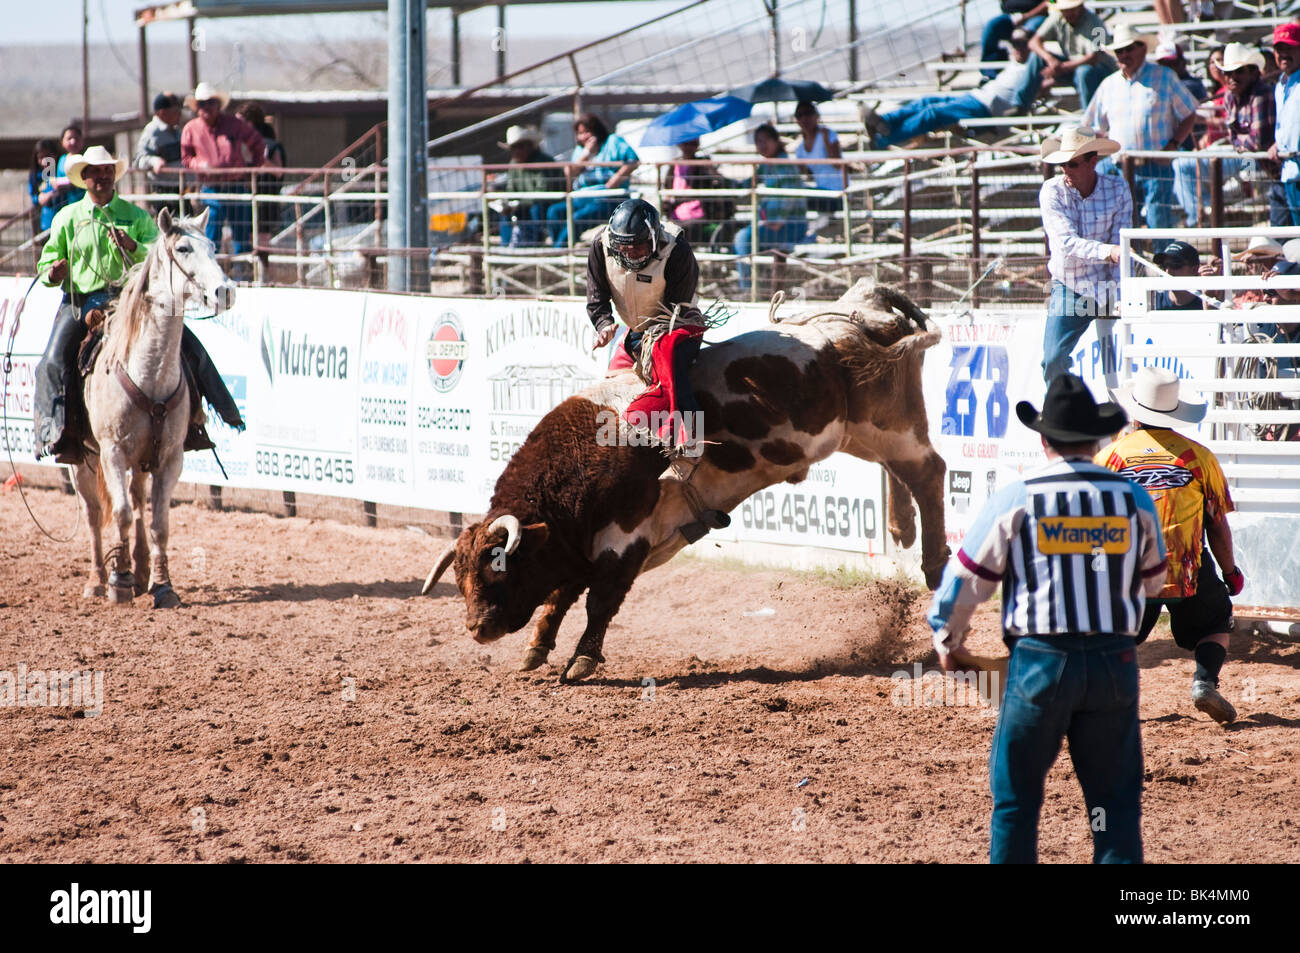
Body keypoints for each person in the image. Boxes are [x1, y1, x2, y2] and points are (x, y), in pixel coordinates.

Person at [928, 373, 1166, 863]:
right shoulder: (1133, 498)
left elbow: (968, 579)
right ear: (1098, 440)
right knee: (1113, 806)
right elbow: (1153, 582)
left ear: (1044, 439)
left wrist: (948, 641)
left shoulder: (1018, 496)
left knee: (1017, 802)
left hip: (1040, 663)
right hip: (1113, 662)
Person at [32, 146, 244, 465]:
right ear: (85, 177)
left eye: (107, 171)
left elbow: (160, 255)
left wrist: (134, 247)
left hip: (130, 300)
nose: (102, 177)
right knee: (52, 359)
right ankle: (56, 432)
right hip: (81, 301)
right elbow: (46, 261)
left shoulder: (136, 217)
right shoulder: (67, 218)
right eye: (95, 171)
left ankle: (208, 419)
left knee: (189, 346)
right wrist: (53, 271)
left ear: (113, 177)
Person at [1098, 366, 1245, 724]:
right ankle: (1204, 683)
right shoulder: (1200, 457)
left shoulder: (1111, 457)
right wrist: (1230, 572)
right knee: (1216, 623)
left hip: (1129, 573)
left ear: (1135, 412)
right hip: (1187, 568)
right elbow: (1217, 525)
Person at [586, 198, 705, 447]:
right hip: (635, 332)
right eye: (623, 248)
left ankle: (691, 437)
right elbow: (596, 300)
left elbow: (676, 307)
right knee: (610, 392)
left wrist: (647, 344)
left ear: (653, 238)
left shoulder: (676, 249)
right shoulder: (600, 245)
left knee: (671, 367)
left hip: (677, 325)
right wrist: (604, 324)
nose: (630, 254)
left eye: (638, 248)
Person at [1083, 24, 1199, 229]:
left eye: (1130, 48)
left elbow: (1189, 114)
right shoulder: (1108, 85)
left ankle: (1163, 261)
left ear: (1143, 49)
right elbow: (1092, 126)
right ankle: (1131, 261)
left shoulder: (1164, 76)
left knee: (1157, 223)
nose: (1124, 54)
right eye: (1120, 50)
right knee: (1123, 225)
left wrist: (1173, 145)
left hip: (1156, 164)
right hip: (1120, 166)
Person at [1038, 126, 1131, 382]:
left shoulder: (1118, 188)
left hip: (1108, 285)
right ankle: (1060, 417)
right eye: (1063, 165)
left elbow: (1120, 243)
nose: (1066, 170)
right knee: (1053, 359)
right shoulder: (1052, 191)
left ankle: (1124, 413)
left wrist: (1120, 293)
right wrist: (1109, 252)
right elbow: (1067, 243)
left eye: (1072, 163)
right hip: (1071, 286)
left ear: (1093, 161)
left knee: (1122, 363)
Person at [861, 30, 1038, 149]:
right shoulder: (1015, 63)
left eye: (1022, 44)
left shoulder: (1033, 67)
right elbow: (997, 28)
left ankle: (883, 138)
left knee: (932, 113)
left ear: (1032, 45)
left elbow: (1035, 90)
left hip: (985, 109)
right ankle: (882, 121)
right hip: (976, 98)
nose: (1017, 48)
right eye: (1015, 44)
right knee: (927, 100)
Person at [1172, 43, 1275, 227]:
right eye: (1228, 73)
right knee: (1182, 164)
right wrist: (1242, 140)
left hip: (1262, 163)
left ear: (1252, 72)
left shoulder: (1261, 95)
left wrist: (1240, 140)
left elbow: (1256, 141)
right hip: (1245, 158)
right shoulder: (1230, 96)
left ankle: (1202, 218)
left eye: (1238, 71)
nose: (1232, 77)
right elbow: (1236, 137)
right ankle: (1203, 216)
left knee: (1184, 164)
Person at [180, 81, 266, 257]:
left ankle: (244, 275)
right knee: (211, 232)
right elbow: (186, 158)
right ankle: (213, 272)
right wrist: (200, 165)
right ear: (196, 107)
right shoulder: (191, 129)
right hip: (210, 186)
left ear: (218, 105)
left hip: (235, 184)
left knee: (241, 233)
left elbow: (258, 144)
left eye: (211, 103)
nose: (207, 108)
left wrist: (251, 168)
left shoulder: (234, 125)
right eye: (202, 104)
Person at [546, 113, 638, 246]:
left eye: (587, 132)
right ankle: (560, 247)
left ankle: (559, 250)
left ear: (596, 131)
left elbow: (633, 161)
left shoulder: (613, 141)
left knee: (578, 218)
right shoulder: (580, 150)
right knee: (554, 211)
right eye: (580, 133)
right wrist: (586, 154)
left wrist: (615, 181)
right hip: (583, 196)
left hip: (609, 197)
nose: (583, 136)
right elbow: (569, 173)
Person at [734, 123, 806, 293]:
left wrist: (775, 221)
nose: (762, 144)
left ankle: (749, 291)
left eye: (766, 140)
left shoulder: (784, 165)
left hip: (789, 225)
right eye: (758, 141)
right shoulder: (766, 166)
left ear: (776, 141)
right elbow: (744, 185)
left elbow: (788, 197)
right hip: (773, 223)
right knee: (741, 238)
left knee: (743, 238)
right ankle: (754, 288)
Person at [1022, 0, 1114, 110]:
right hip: (1073, 68)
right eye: (1066, 10)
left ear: (1081, 7)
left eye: (1072, 9)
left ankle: (1089, 117)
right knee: (1036, 57)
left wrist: (1062, 67)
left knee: (1084, 71)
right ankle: (1020, 106)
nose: (1069, 13)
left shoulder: (1096, 23)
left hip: (1099, 70)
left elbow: (1095, 57)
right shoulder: (1057, 17)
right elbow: (1033, 42)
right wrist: (1051, 60)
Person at [494, 125, 563, 247]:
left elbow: (543, 191)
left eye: (519, 147)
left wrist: (519, 203)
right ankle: (505, 247)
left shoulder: (543, 162)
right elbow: (510, 190)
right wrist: (508, 203)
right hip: (524, 205)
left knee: (536, 209)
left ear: (530, 146)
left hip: (548, 203)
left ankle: (536, 243)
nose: (516, 151)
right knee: (505, 214)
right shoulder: (514, 165)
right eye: (513, 148)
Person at [793, 99, 845, 234]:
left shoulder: (828, 135)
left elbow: (837, 164)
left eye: (808, 113)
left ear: (816, 116)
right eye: (800, 115)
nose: (804, 118)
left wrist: (826, 140)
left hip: (838, 194)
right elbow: (805, 174)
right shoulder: (800, 149)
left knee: (794, 196)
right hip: (821, 194)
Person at [236, 102, 286, 238]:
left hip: (264, 202)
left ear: (250, 123)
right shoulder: (238, 144)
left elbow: (279, 171)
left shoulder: (268, 145)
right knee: (244, 241)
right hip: (244, 199)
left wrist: (261, 161)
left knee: (261, 243)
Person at [1269, 23, 1300, 225]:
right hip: (1289, 172)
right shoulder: (1280, 85)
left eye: (1290, 48)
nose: (1284, 54)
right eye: (1280, 49)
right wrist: (1277, 143)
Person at [133, 91, 184, 211]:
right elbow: (137, 160)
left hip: (180, 188)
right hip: (163, 191)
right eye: (175, 111)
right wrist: (153, 161)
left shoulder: (177, 131)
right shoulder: (152, 132)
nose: (180, 114)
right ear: (162, 113)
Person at [979, 1, 1047, 80]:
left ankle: (1028, 74)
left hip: (1036, 16)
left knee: (1022, 34)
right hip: (1011, 17)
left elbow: (1051, 1)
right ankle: (989, 74)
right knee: (990, 27)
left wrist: (1027, 16)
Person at [1149, 240, 1207, 310]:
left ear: (1194, 269)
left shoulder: (1205, 300)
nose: (1167, 271)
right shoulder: (1154, 301)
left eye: (1175, 265)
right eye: (1163, 266)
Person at [27, 138, 61, 235]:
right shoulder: (36, 176)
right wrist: (39, 198)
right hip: (46, 222)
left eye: (48, 156)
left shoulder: (60, 171)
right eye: (41, 157)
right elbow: (34, 195)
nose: (44, 161)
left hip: (61, 217)